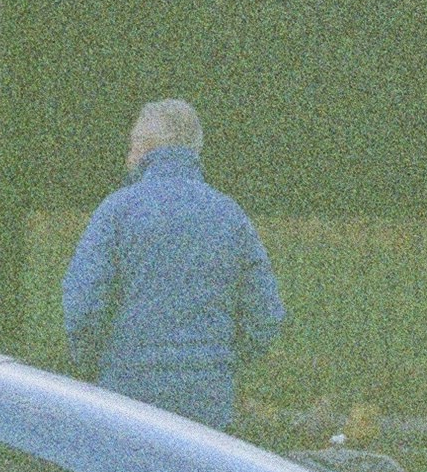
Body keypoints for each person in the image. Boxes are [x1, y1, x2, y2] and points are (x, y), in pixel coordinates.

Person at [60, 97, 285, 428]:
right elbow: (266, 315)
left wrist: (95, 365)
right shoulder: (230, 216)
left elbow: (83, 307)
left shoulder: (116, 212)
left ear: (144, 148)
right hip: (208, 403)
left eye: (132, 144)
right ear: (195, 150)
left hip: (126, 397)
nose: (127, 156)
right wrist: (219, 363)